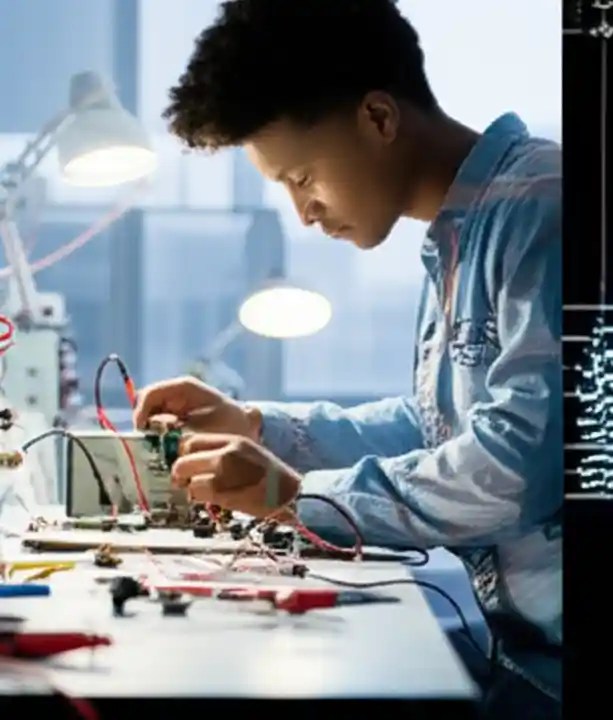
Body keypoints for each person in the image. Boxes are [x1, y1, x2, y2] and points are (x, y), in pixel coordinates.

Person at [131, 1, 562, 717]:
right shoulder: (465, 232)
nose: (303, 212)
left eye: (302, 177)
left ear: (379, 119)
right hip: (516, 659)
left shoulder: (539, 206)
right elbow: (439, 430)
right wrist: (257, 429)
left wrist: (298, 502)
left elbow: (515, 468)